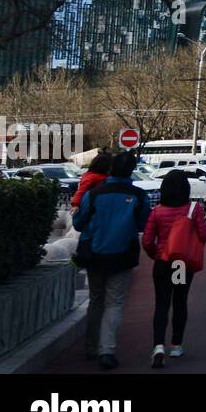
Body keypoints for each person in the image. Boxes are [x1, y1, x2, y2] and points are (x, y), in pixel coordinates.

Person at [72, 152, 150, 369]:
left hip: (94, 254)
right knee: (115, 302)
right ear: (132, 169)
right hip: (123, 254)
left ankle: (91, 345)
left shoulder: (94, 194)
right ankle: (107, 350)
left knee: (96, 299)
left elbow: (78, 223)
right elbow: (143, 224)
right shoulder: (139, 196)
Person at [142, 170, 206, 368]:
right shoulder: (193, 209)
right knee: (179, 301)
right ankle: (176, 344)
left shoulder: (157, 211)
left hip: (162, 261)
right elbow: (203, 234)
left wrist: (156, 254)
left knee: (161, 304)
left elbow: (146, 240)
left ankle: (158, 345)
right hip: (181, 263)